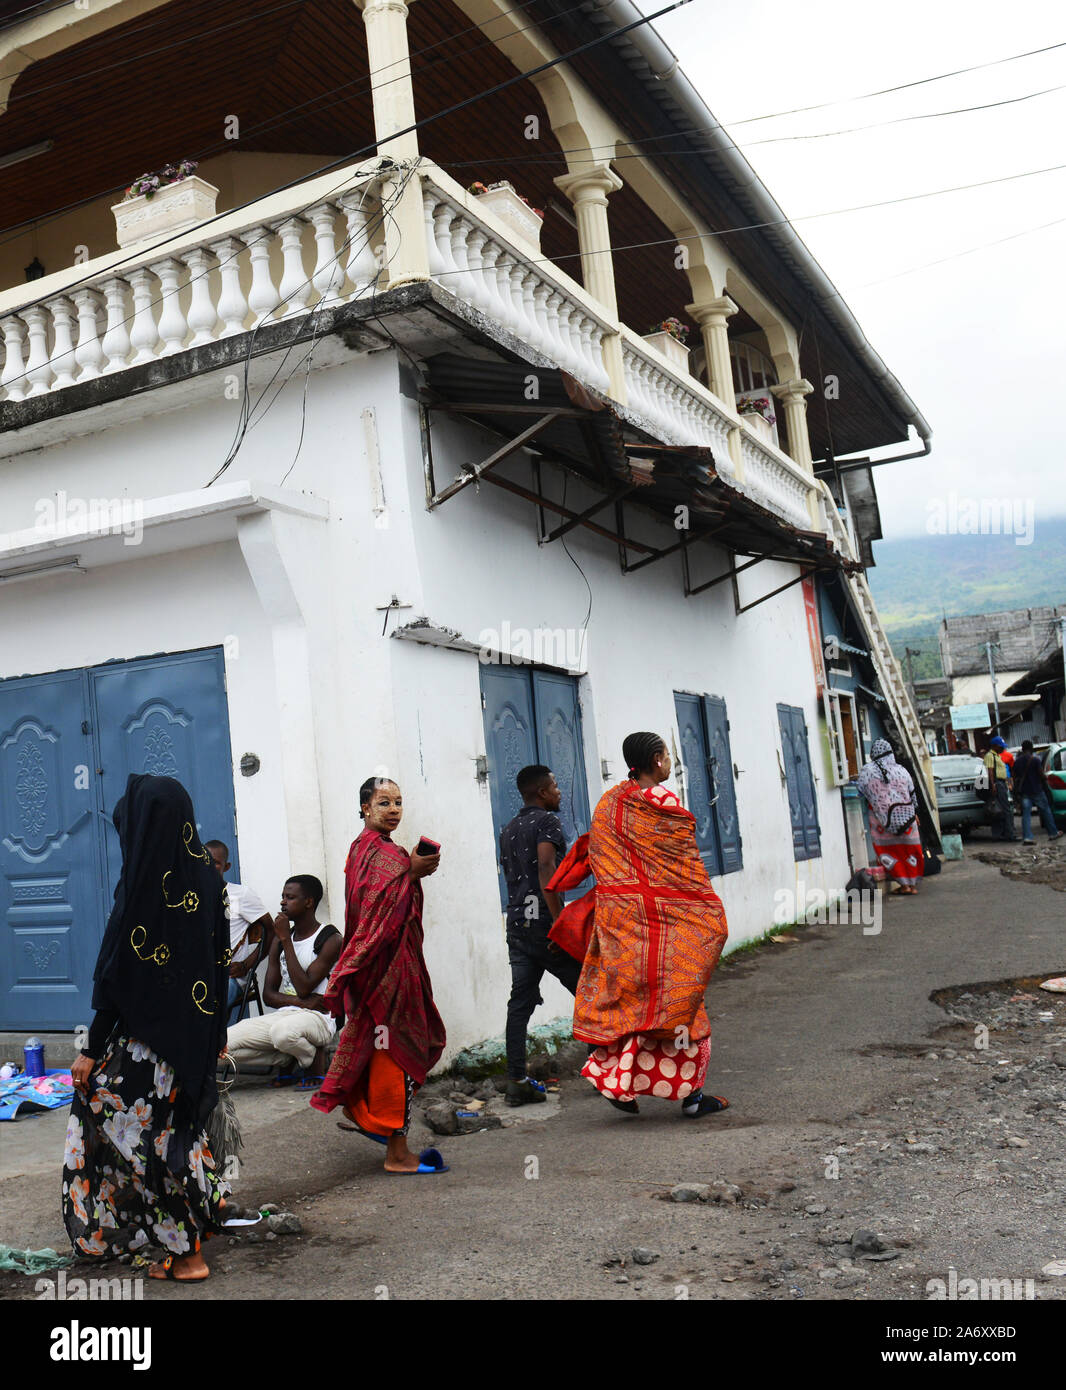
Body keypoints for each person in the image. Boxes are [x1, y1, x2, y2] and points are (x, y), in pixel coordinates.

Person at [66, 774, 229, 1283]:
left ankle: (187, 1254)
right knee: (176, 1132)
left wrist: (91, 1048)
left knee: (140, 1135)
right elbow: (216, 963)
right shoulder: (208, 877)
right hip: (193, 1038)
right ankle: (195, 1219)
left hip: (147, 1045)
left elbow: (119, 972)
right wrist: (215, 1032)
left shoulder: (143, 882)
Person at [574, 732, 730, 1118]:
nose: (671, 761)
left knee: (633, 1005)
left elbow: (601, 855)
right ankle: (692, 1098)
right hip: (668, 924)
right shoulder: (662, 803)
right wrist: (705, 911)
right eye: (668, 755)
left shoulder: (610, 802)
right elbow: (685, 868)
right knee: (683, 1004)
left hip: (623, 925)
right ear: (658, 760)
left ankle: (616, 1082)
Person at [311, 777, 448, 1174]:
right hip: (385, 973)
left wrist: (411, 870)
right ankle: (397, 1152)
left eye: (398, 802)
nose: (392, 809)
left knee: (384, 1050)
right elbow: (376, 909)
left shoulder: (377, 850)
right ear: (365, 808)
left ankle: (376, 1123)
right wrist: (411, 873)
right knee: (396, 1054)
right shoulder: (377, 852)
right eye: (383, 801)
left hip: (394, 967)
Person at [500, 765, 580, 1106]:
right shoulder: (548, 822)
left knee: (519, 1004)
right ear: (542, 793)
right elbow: (546, 868)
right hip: (544, 925)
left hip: (517, 924)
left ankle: (517, 1080)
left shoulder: (509, 828)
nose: (559, 792)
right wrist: (559, 922)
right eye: (556, 786)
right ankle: (608, 1070)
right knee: (588, 990)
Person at [226, 876, 341, 1081]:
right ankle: (289, 1059)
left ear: (309, 902)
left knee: (283, 1033)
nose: (282, 902)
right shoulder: (279, 940)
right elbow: (269, 995)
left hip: (320, 1018)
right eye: (282, 897)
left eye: (290, 897)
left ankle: (313, 1059)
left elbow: (304, 986)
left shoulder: (330, 938)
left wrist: (286, 939)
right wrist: (299, 1002)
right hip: (287, 1015)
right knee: (222, 1045)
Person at [204, 840, 274, 1024]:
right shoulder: (191, 898)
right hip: (199, 973)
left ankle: (210, 1046)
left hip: (229, 976)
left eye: (216, 862)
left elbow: (271, 931)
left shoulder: (240, 895)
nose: (209, 866)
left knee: (207, 1005)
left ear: (226, 866)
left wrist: (246, 965)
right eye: (204, 860)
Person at [855, 738, 925, 893]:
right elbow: (912, 793)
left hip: (881, 821)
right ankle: (912, 886)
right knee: (910, 850)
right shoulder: (901, 770)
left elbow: (859, 791)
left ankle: (904, 885)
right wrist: (915, 813)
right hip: (907, 818)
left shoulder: (867, 770)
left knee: (890, 852)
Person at [1010, 740, 1061, 846]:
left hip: (1024, 792)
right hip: (1037, 790)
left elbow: (1014, 776)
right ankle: (1053, 833)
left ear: (1022, 749)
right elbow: (1041, 775)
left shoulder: (1017, 761)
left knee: (1026, 814)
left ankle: (1027, 837)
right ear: (1031, 748)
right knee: (1046, 811)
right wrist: (1045, 778)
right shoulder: (1035, 760)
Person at [983, 736, 1016, 843]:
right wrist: (993, 785)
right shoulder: (990, 755)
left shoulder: (997, 755)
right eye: (1001, 747)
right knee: (1005, 809)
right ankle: (1009, 834)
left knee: (1003, 809)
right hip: (998, 784)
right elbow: (990, 771)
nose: (1003, 749)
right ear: (995, 746)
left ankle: (1004, 833)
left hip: (1002, 783)